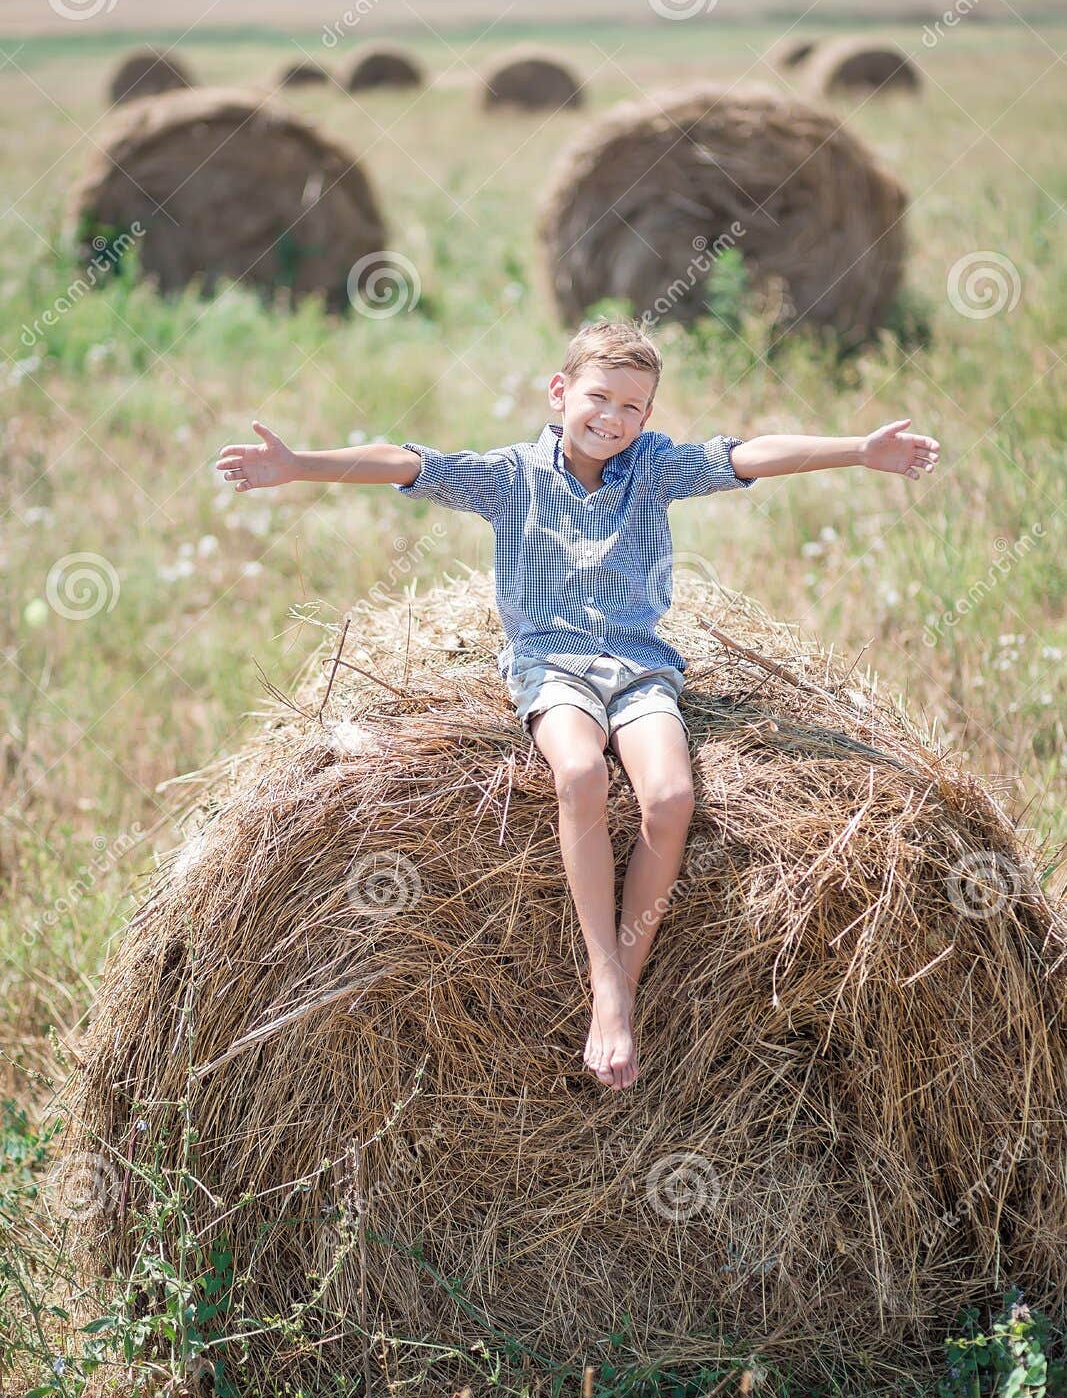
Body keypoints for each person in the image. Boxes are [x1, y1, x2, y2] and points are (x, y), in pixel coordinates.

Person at [215, 317, 940, 1092]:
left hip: (639, 666)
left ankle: (621, 981)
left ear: (649, 416)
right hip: (550, 664)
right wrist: (298, 466)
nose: (613, 419)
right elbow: (407, 463)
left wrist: (857, 451)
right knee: (579, 774)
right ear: (560, 392)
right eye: (599, 397)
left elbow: (745, 454)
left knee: (670, 796)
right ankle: (604, 978)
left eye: (633, 407)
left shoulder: (654, 470)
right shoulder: (509, 477)